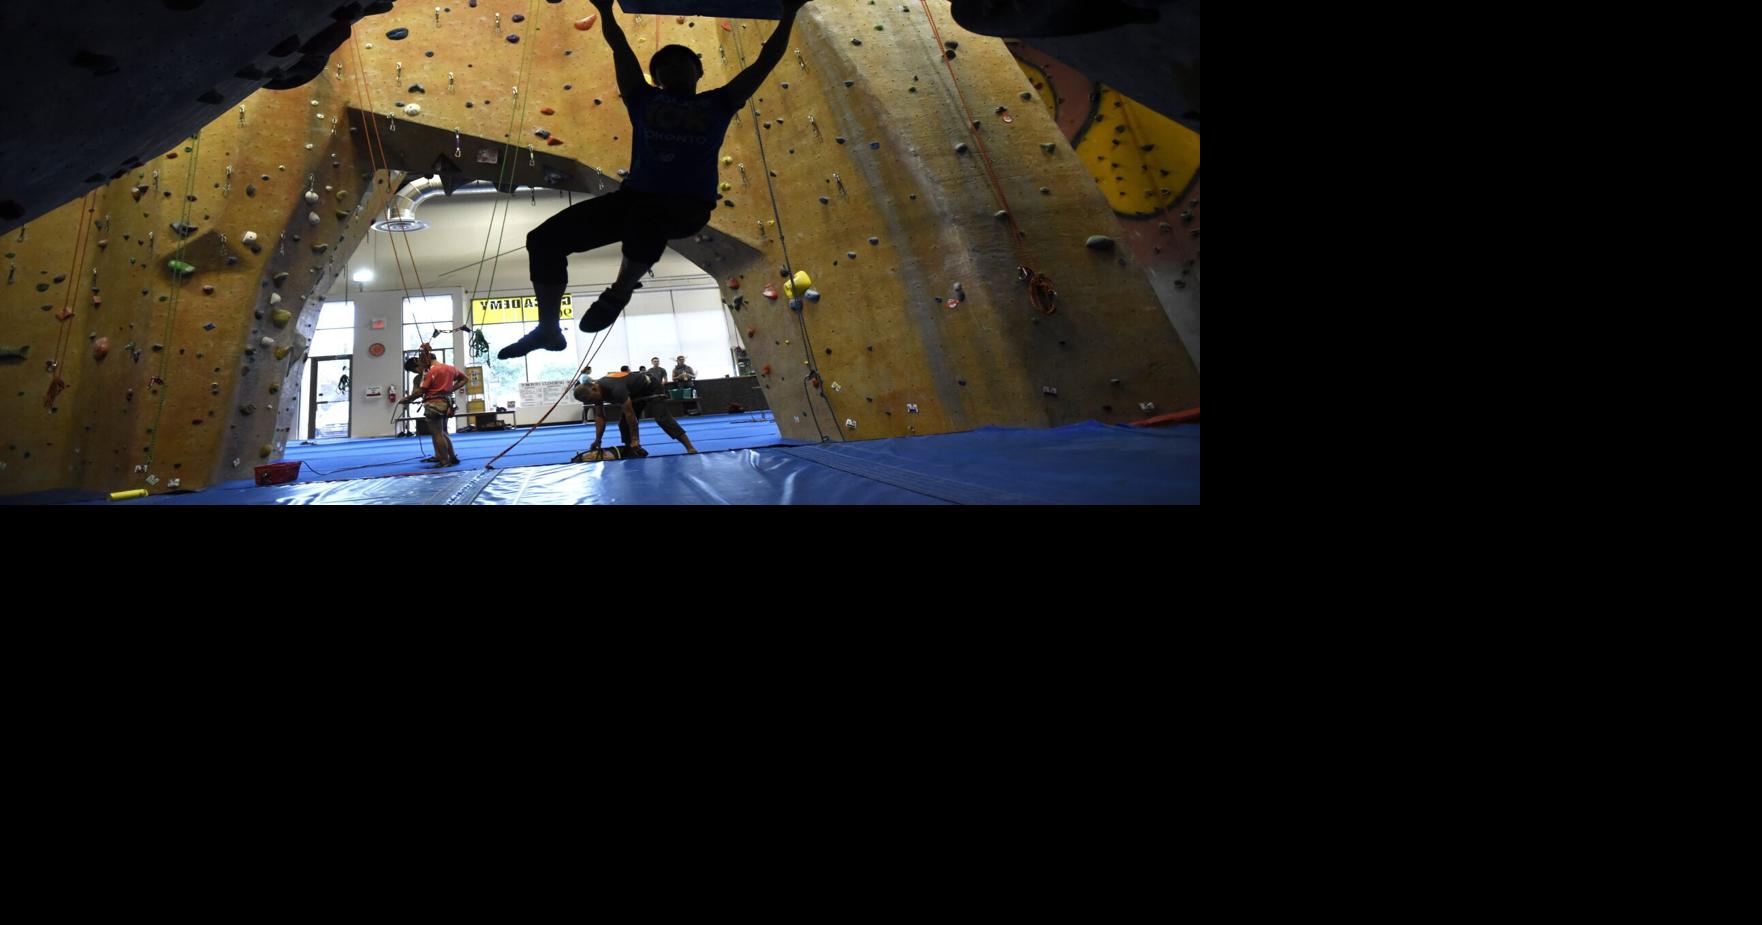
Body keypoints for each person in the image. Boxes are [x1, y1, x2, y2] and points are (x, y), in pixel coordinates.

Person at [497, 0, 815, 358]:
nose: (674, 67)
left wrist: (790, 12)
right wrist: (604, 9)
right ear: (656, 78)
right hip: (635, 199)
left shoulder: (721, 102)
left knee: (646, 214)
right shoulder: (642, 98)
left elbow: (765, 62)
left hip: (685, 207)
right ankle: (548, 328)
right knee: (543, 240)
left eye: (682, 62)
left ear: (698, 71)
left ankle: (619, 291)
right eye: (664, 65)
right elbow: (620, 48)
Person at [572, 366, 699, 456]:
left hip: (651, 387)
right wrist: (597, 440)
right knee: (623, 424)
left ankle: (689, 446)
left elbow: (630, 414)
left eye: (592, 399)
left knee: (662, 418)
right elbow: (600, 417)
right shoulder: (594, 393)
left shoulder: (616, 389)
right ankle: (633, 450)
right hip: (634, 393)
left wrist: (635, 438)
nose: (594, 401)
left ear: (594, 388)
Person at [403, 354, 468, 467]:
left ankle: (444, 461)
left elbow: (421, 391)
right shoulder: (450, 368)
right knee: (443, 431)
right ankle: (452, 457)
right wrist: (450, 389)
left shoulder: (431, 372)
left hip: (434, 404)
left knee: (437, 433)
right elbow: (464, 379)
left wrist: (407, 399)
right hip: (447, 402)